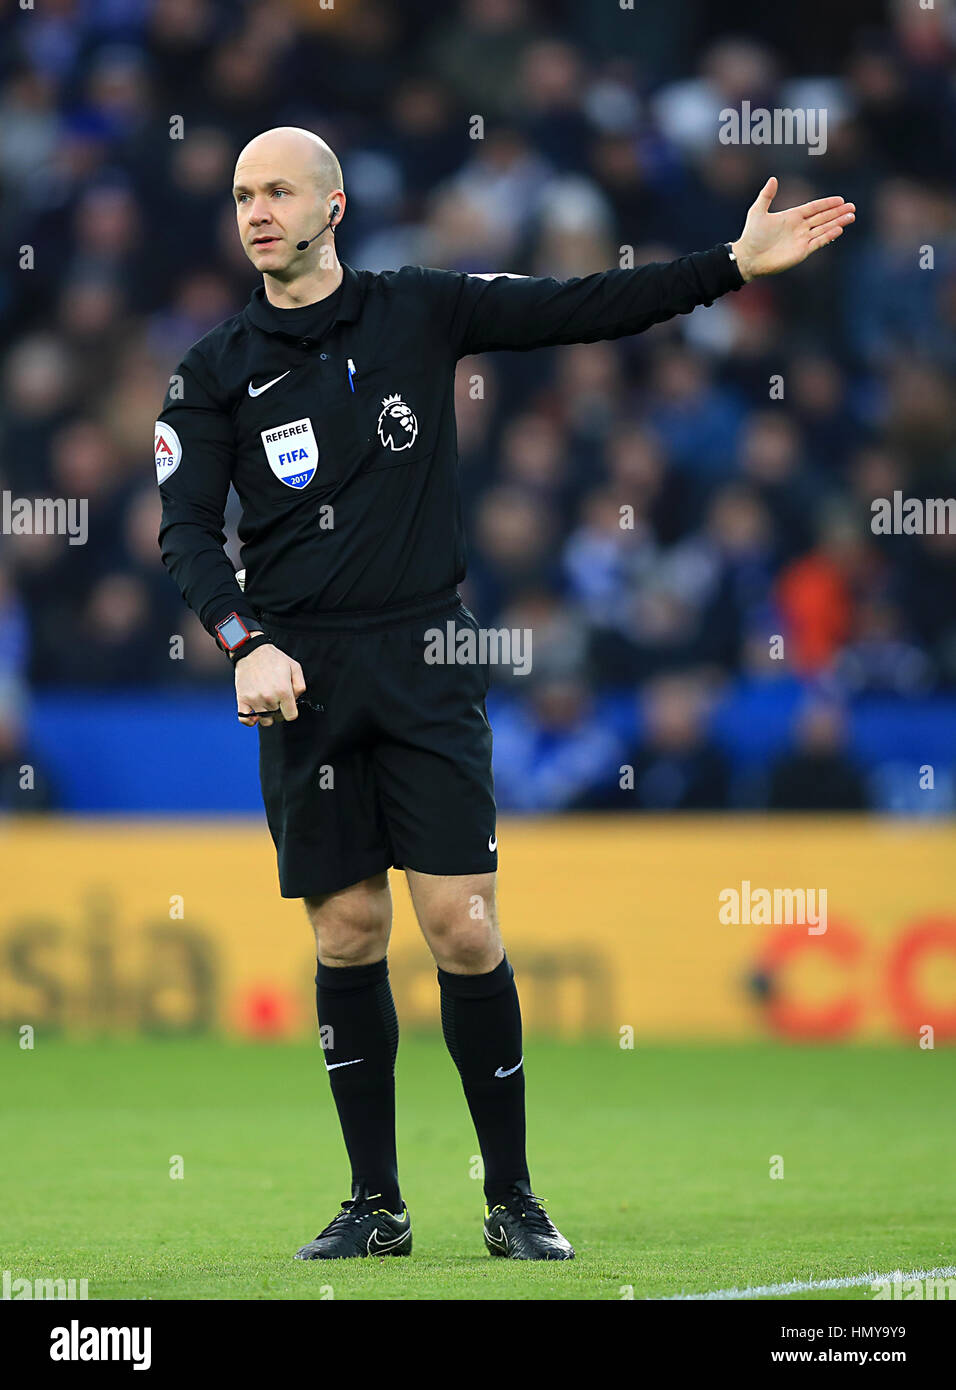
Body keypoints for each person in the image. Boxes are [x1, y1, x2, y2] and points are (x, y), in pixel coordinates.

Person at [156, 125, 855, 1261]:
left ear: (332, 207)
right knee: (346, 930)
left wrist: (728, 266)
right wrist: (241, 641)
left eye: (278, 190)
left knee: (461, 925)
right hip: (299, 670)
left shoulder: (417, 308)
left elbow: (580, 304)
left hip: (424, 655)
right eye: (242, 193)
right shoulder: (213, 367)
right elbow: (183, 530)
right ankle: (373, 1204)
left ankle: (513, 1196)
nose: (256, 210)